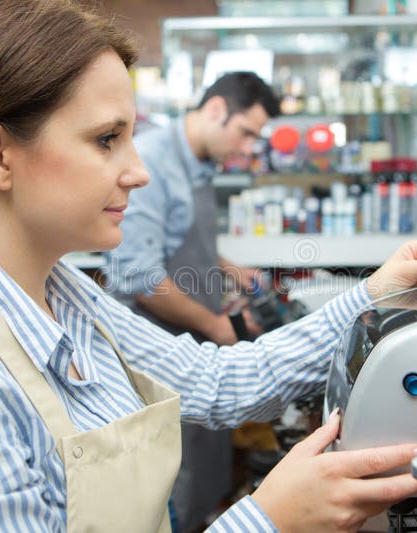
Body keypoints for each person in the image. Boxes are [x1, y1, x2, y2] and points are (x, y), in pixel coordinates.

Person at [0, 1, 417, 532]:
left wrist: (376, 294)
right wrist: (268, 518)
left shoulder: (69, 299)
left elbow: (220, 382)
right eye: (106, 139)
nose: (139, 171)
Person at [107, 71, 279, 531]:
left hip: (195, 339)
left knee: (205, 465)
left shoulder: (201, 163)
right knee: (172, 477)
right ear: (217, 110)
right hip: (154, 350)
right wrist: (216, 326)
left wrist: (228, 268)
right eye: (246, 133)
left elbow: (184, 236)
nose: (247, 147)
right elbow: (139, 274)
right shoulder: (153, 159)